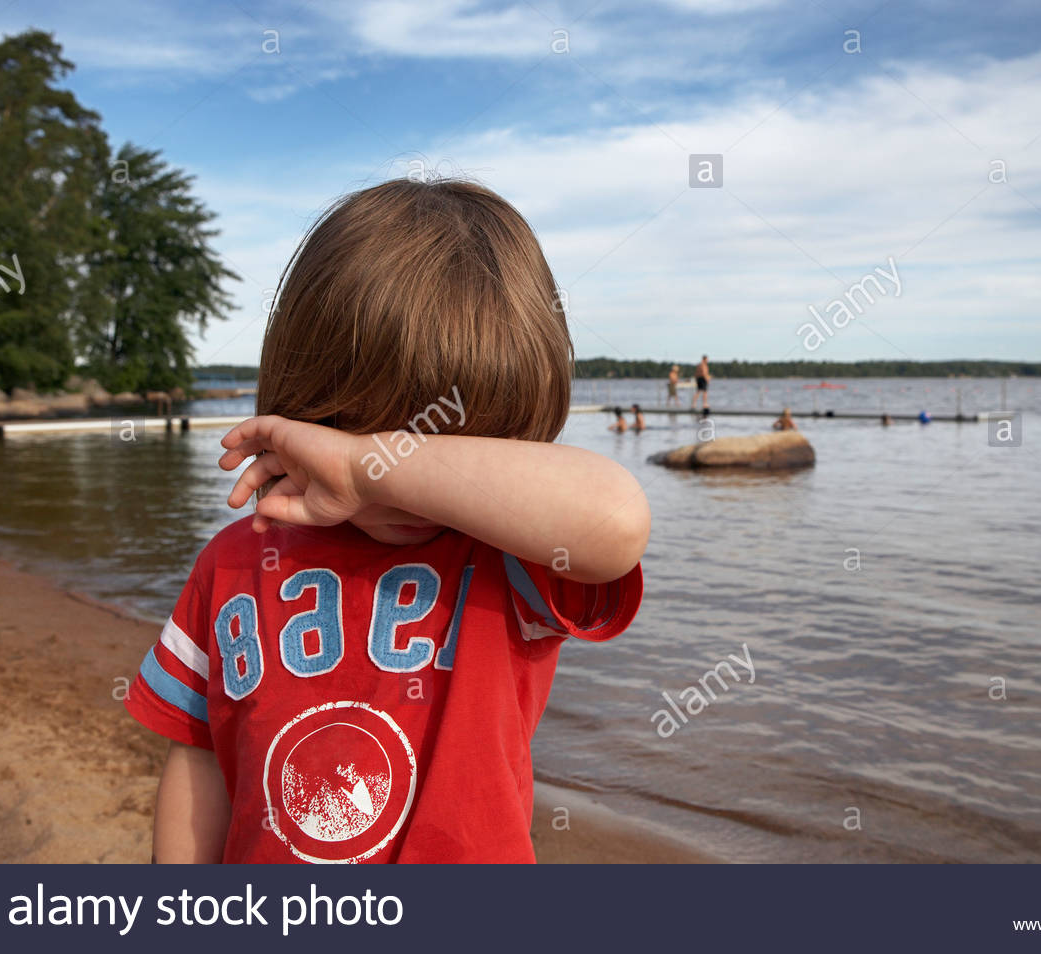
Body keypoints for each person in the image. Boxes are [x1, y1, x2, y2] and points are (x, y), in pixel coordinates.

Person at [123, 179, 649, 864]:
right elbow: (198, 758)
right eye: (364, 430)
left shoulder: (510, 558)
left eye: (441, 453)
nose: (401, 490)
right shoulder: (232, 562)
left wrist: (369, 466)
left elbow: (614, 518)